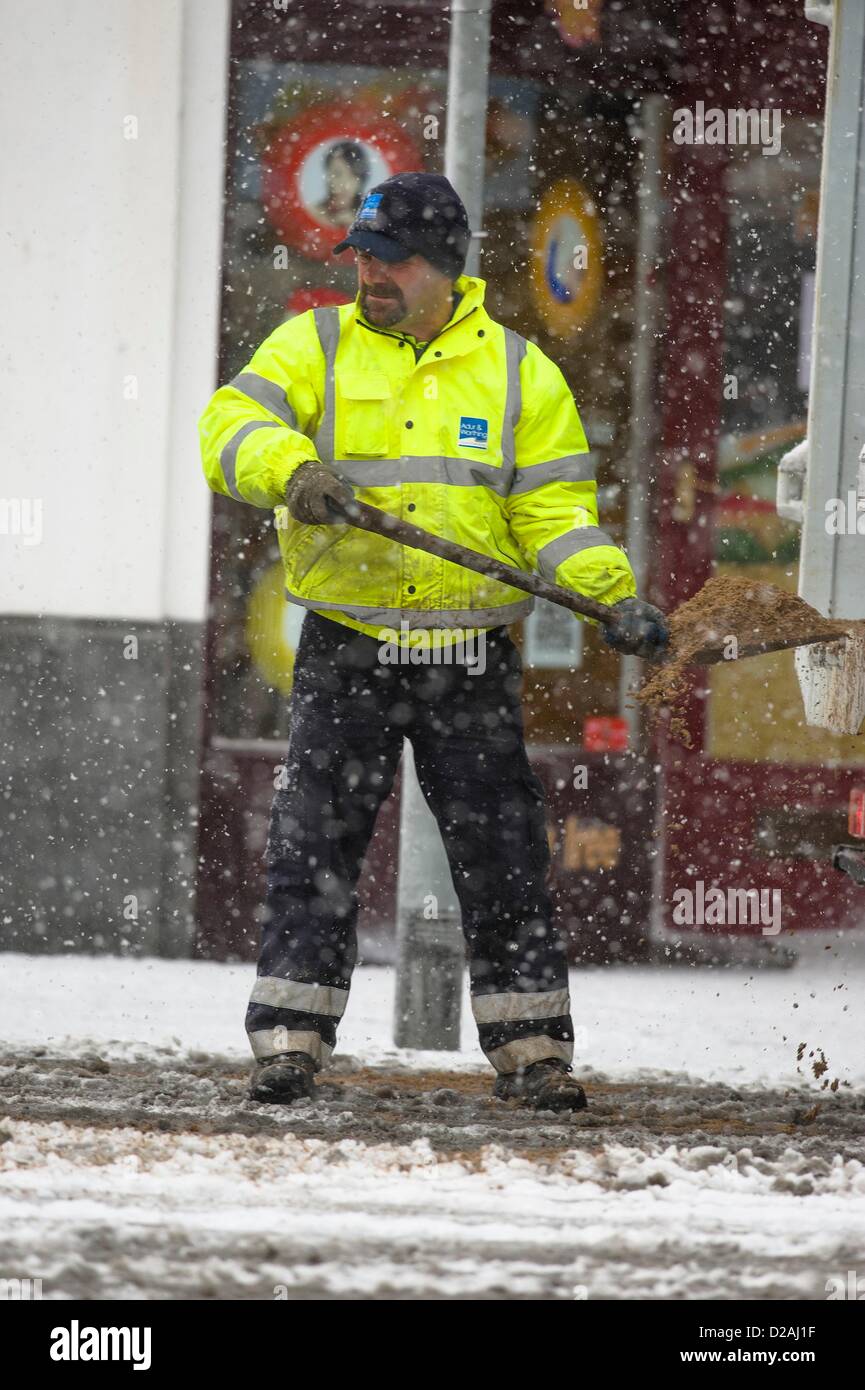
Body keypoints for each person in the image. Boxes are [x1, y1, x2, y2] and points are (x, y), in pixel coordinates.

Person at [199, 171, 667, 1112]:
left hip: (467, 654)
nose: (369, 273)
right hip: (351, 640)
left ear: (445, 267)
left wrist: (610, 599)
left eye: (391, 259)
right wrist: (291, 468)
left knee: (500, 854)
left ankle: (532, 1050)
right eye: (361, 256)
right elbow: (228, 426)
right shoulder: (314, 345)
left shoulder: (518, 371)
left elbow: (554, 515)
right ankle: (288, 1038)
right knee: (314, 846)